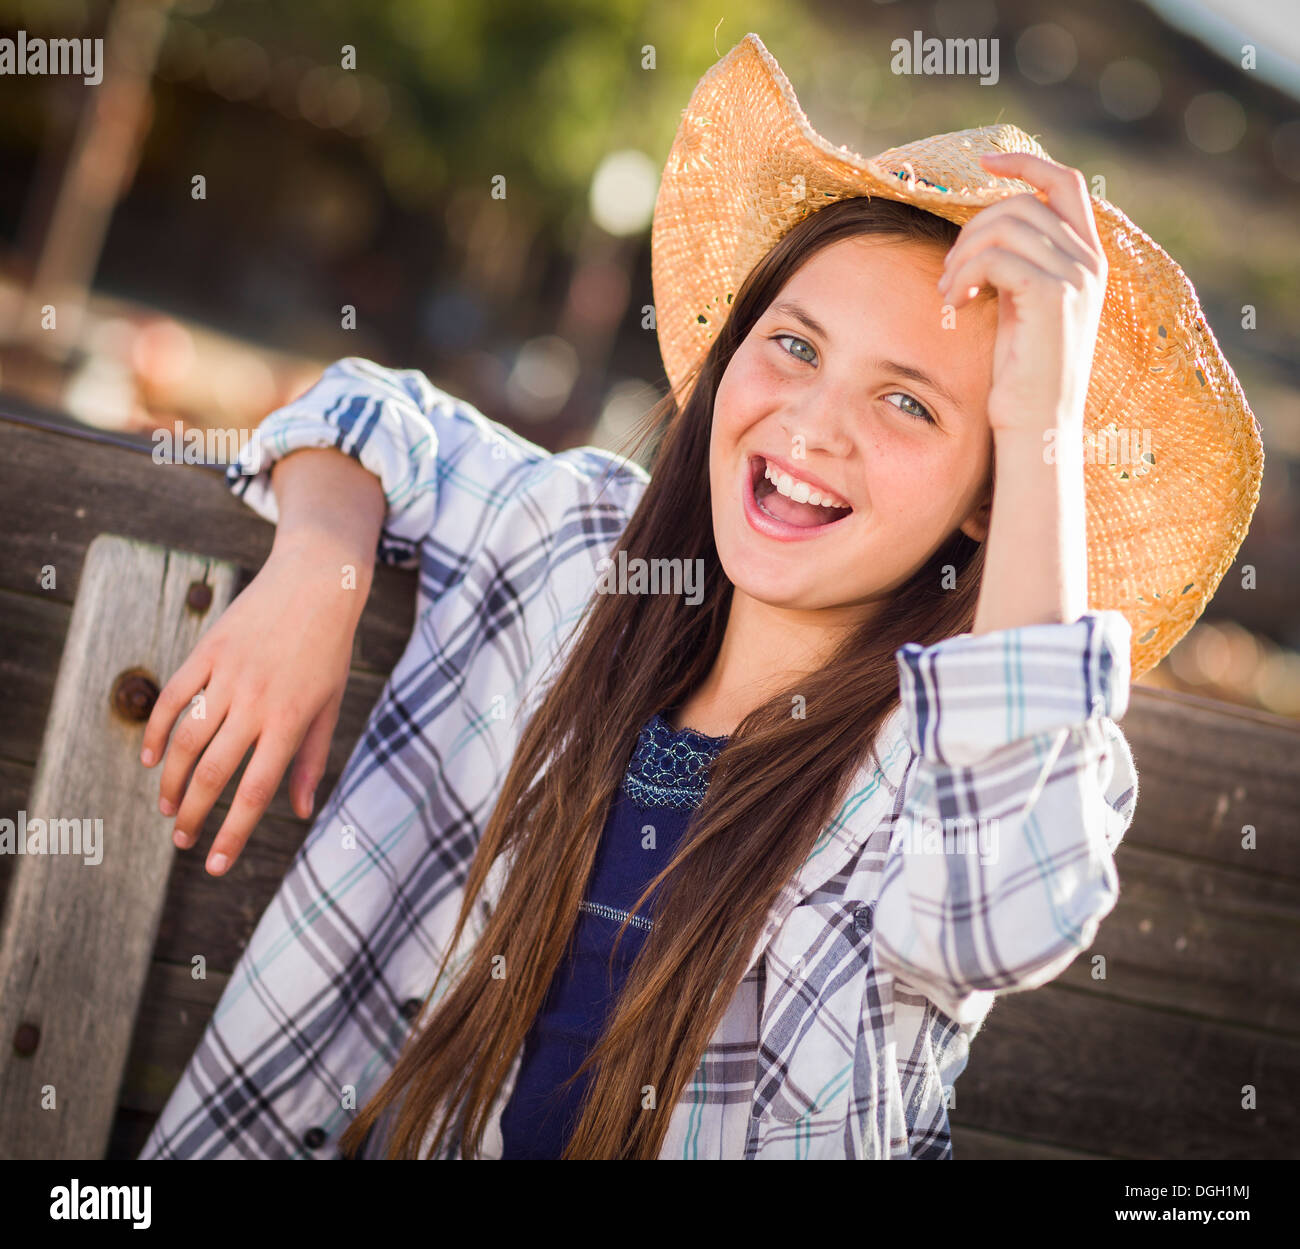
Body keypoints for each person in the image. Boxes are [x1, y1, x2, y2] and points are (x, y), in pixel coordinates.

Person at [135, 33, 1261, 1160]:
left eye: (910, 406)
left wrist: (1044, 420)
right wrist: (318, 564)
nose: (814, 425)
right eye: (794, 346)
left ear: (989, 500)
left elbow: (1004, 916)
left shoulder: (940, 771)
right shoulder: (575, 555)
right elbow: (370, 411)